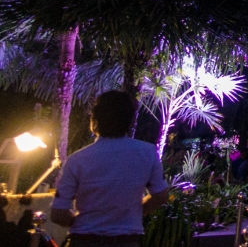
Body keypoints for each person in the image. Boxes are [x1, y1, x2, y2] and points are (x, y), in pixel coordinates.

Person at [50, 91, 169, 247]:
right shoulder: (147, 153)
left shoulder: (77, 160)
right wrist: (131, 212)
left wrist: (78, 221)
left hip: (84, 240)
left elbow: (58, 213)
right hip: (126, 241)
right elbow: (160, 196)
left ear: (94, 120)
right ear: (129, 120)